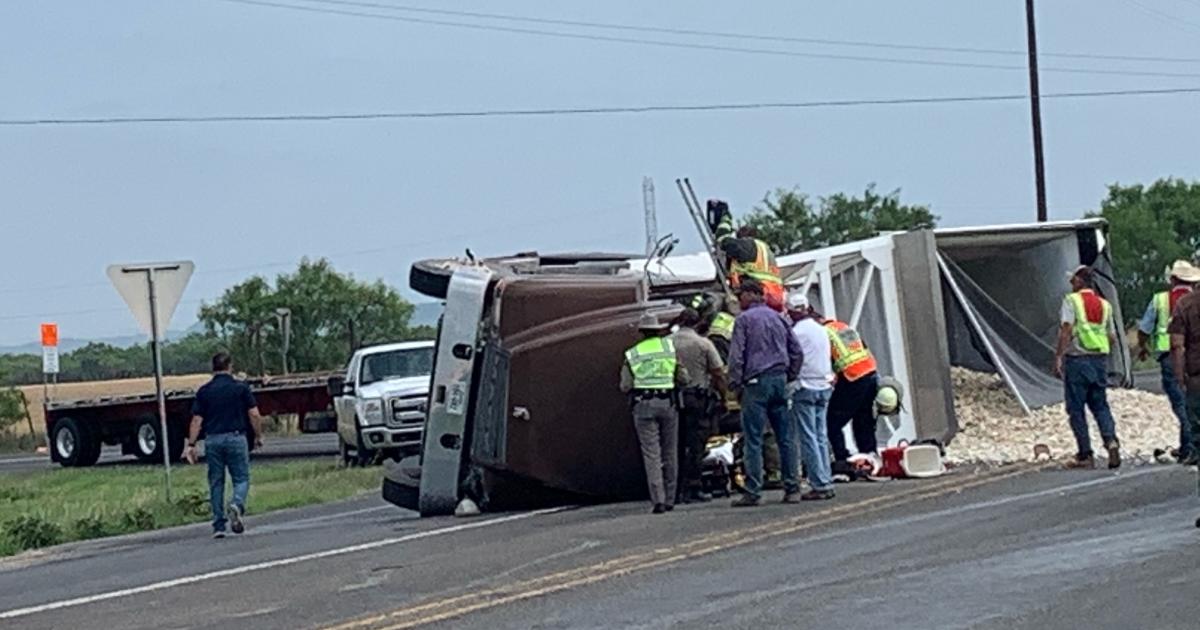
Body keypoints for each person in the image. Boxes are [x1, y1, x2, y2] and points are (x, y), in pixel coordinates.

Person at [727, 278, 803, 507]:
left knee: (753, 438)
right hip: (779, 380)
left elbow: (736, 356)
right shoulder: (779, 318)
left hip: (755, 383)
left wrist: (734, 383)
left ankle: (753, 490)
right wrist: (790, 374)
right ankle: (792, 488)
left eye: (741, 295)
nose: (738, 299)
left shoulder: (744, 321)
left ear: (751, 294)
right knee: (785, 438)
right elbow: (796, 351)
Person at [185, 352, 264, 538]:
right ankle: (236, 504)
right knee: (241, 478)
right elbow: (254, 414)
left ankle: (219, 525)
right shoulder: (240, 388)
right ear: (230, 366)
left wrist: (191, 444)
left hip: (212, 439)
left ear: (213, 368)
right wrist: (258, 436)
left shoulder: (204, 391)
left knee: (216, 482)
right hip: (236, 437)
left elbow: (196, 420)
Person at [620, 312, 689, 514]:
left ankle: (657, 500)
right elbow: (684, 378)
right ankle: (670, 498)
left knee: (651, 454)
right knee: (670, 451)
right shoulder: (669, 349)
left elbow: (625, 386)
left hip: (643, 405)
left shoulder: (632, 354)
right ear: (658, 330)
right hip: (668, 403)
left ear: (641, 332)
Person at [1055, 265, 1121, 469]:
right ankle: (1111, 441)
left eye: (1073, 280)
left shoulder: (1071, 301)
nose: (1070, 283)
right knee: (1100, 405)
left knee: (1076, 409)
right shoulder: (1105, 305)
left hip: (1077, 360)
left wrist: (1059, 355)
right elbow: (1111, 336)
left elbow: (1066, 328)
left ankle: (1085, 454)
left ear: (1080, 282)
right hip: (1098, 360)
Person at [1137, 260, 1200, 462]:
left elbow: (1145, 329)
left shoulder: (1163, 300)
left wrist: (1143, 347)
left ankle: (1190, 447)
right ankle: (1186, 447)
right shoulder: (1193, 300)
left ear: (1173, 279)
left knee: (1183, 405)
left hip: (1172, 358)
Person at [670, 308, 729, 503]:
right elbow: (718, 373)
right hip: (697, 397)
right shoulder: (703, 344)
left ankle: (675, 488)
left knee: (676, 443)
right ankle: (693, 486)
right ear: (697, 323)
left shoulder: (667, 343)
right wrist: (724, 397)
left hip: (673, 398)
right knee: (696, 444)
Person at [786, 293, 836, 501]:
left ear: (791, 311)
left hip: (805, 385)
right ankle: (826, 479)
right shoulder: (821, 329)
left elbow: (792, 358)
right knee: (821, 436)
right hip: (824, 385)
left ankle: (819, 483)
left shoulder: (795, 333)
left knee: (808, 437)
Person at [824, 317, 881, 474]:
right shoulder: (842, 327)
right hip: (869, 372)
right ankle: (869, 455)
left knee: (832, 423)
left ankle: (842, 460)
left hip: (853, 376)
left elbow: (822, 360)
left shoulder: (823, 333)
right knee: (863, 419)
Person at [709, 199, 785, 311]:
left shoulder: (747, 246)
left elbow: (723, 240)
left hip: (757, 295)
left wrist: (725, 219)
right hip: (773, 295)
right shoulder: (764, 249)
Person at [1169, 282, 1200, 467]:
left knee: (1196, 419)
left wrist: (1180, 375)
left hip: (1196, 373)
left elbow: (1177, 344)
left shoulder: (1185, 303)